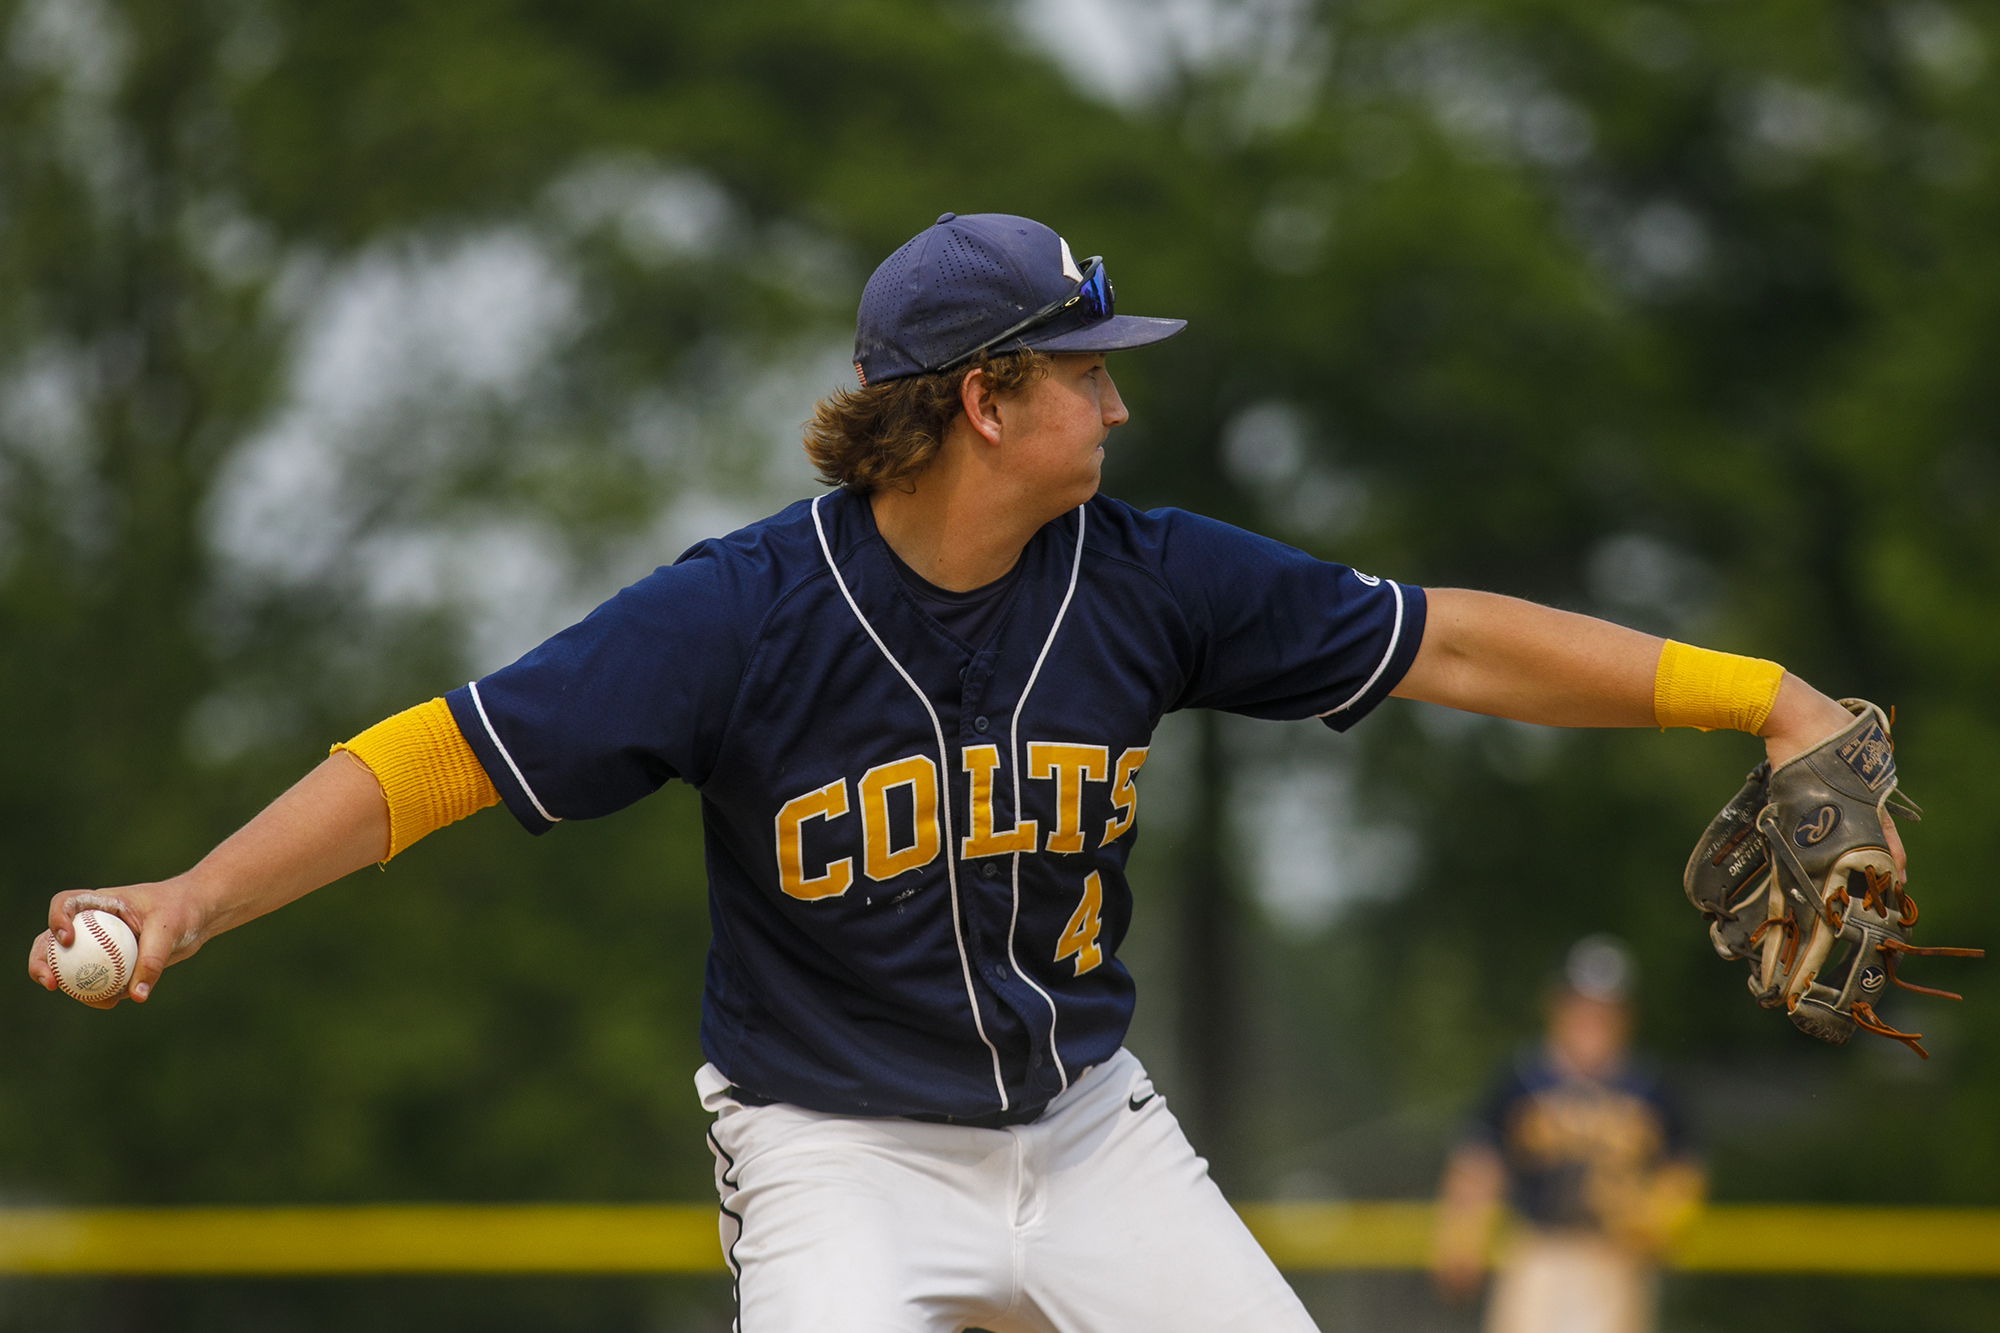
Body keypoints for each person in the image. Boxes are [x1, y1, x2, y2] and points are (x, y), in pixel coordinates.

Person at [29, 212, 1879, 1332]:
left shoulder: (1147, 577)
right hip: (833, 1141)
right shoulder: (739, 615)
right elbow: (440, 756)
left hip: (1086, 1123)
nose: (1120, 401)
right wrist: (189, 895)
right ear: (984, 399)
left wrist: (1762, 695)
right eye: (1085, 369)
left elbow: (1448, 638)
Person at [1433, 937, 1706, 1333]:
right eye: (1581, 1005)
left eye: (1604, 1009)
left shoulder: (1652, 1089)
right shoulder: (1522, 1079)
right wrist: (1461, 1233)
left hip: (1617, 1261)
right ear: (1558, 1006)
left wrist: (1659, 1217)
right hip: (1535, 1254)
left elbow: (1683, 1168)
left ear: (1625, 1015)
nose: (1591, 1019)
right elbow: (1479, 1160)